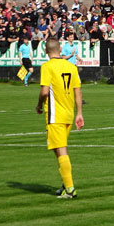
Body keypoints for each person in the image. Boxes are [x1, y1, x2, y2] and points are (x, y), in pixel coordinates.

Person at [36, 38, 84, 199]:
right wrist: (79, 113)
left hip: (55, 115)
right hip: (69, 114)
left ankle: (70, 189)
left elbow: (44, 92)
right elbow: (78, 91)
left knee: (61, 150)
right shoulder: (71, 66)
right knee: (60, 150)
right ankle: (65, 184)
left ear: (45, 51)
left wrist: (38, 105)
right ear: (60, 50)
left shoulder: (47, 67)